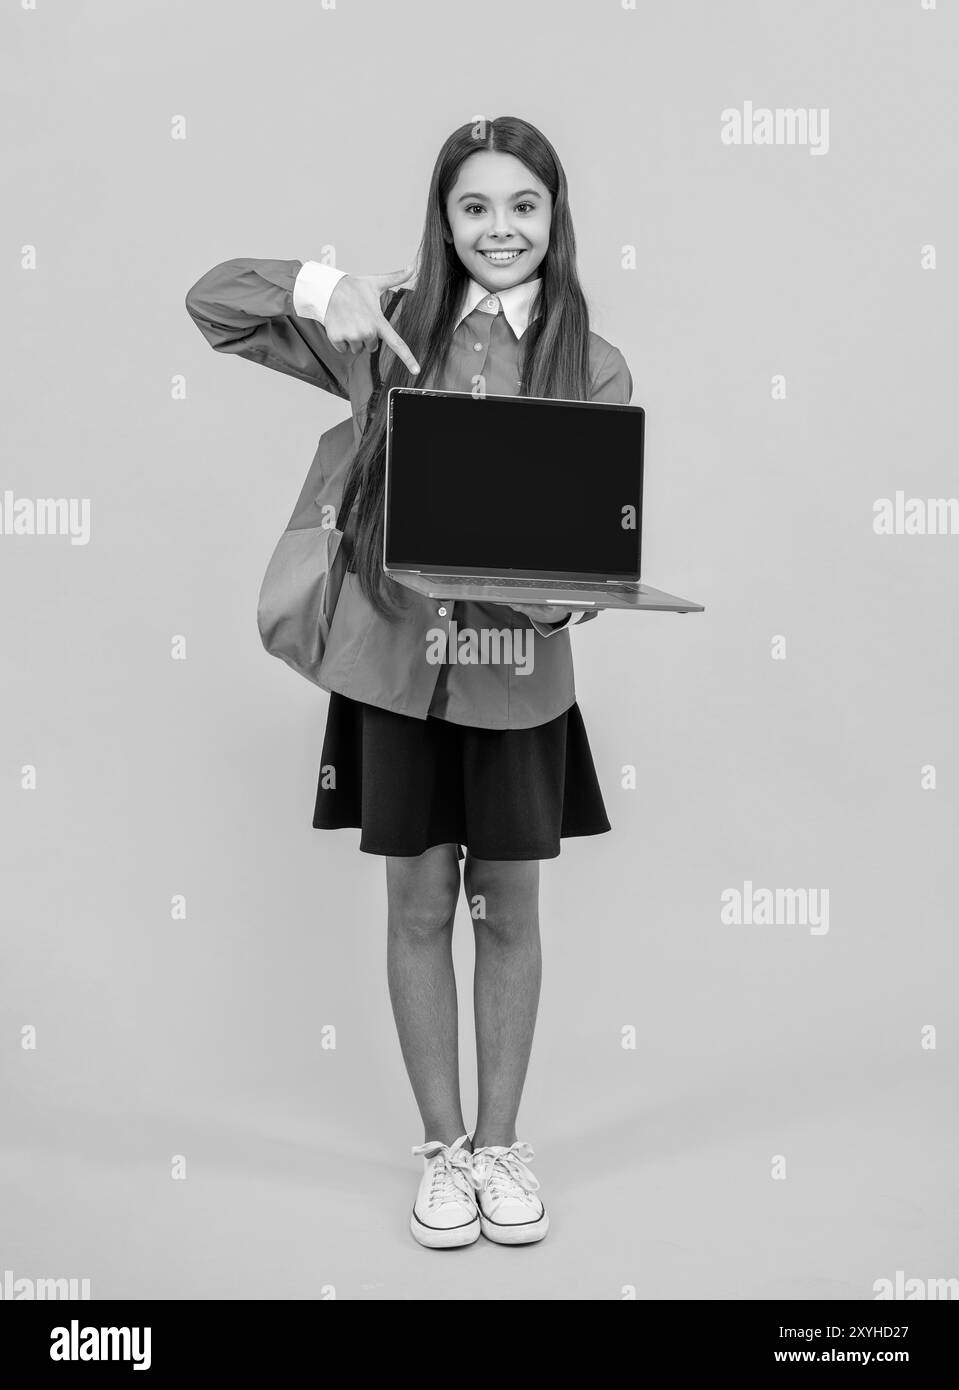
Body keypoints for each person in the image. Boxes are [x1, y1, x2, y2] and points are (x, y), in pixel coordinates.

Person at [185, 115, 633, 1250]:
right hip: (396, 676)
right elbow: (213, 302)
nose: (499, 229)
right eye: (473, 206)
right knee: (420, 902)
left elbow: (592, 539)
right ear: (442, 220)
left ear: (554, 218)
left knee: (510, 912)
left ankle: (499, 1144)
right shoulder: (384, 332)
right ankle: (440, 1152)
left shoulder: (593, 362)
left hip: (517, 679)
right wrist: (322, 282)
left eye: (522, 206)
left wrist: (574, 590)